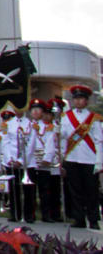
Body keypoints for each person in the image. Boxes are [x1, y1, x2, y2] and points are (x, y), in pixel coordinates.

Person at [60, 85, 101, 229]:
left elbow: (99, 140)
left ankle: (93, 219)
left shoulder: (93, 118)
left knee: (91, 191)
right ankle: (79, 219)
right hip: (72, 158)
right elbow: (63, 138)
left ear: (86, 101)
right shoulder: (66, 117)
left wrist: (100, 161)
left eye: (81, 99)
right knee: (75, 191)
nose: (78, 101)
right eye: (76, 98)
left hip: (89, 158)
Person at [0, 109, 25, 221]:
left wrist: (21, 160)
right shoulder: (7, 125)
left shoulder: (28, 123)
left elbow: (29, 143)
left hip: (23, 162)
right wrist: (9, 159)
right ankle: (14, 213)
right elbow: (5, 142)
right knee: (13, 189)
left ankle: (26, 214)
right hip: (11, 161)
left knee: (24, 189)